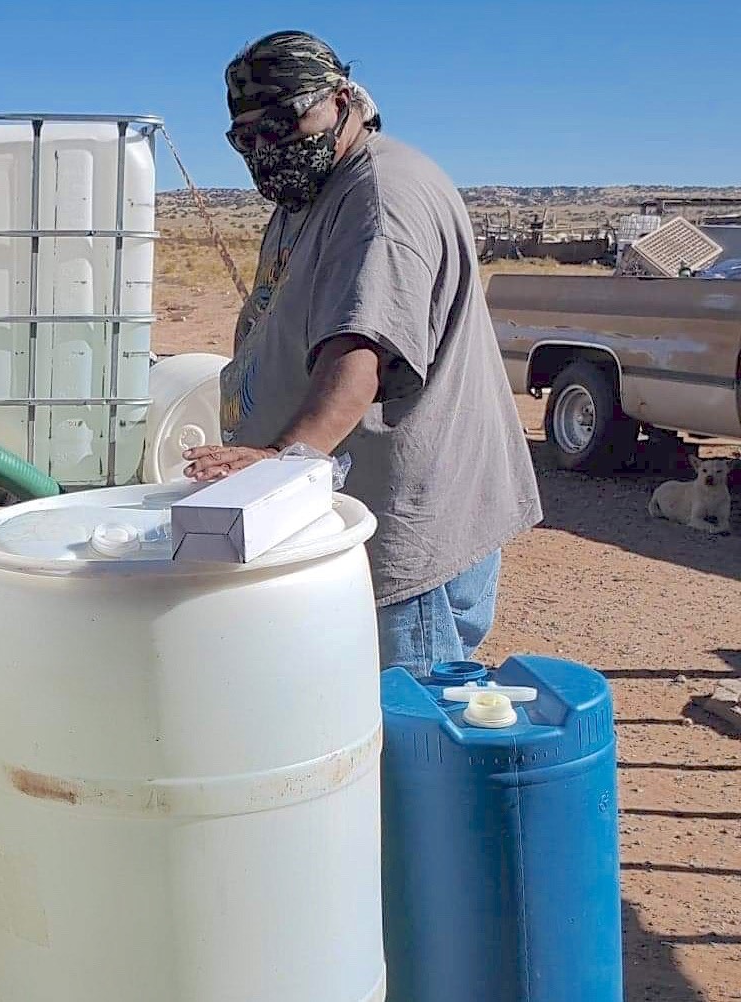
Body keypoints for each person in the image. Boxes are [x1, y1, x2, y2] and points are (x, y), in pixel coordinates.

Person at [183, 30, 542, 677]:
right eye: (247, 139)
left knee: (408, 732)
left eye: (284, 124)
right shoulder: (316, 190)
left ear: (343, 99)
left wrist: (278, 459)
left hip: (406, 535)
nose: (267, 151)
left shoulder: (379, 197)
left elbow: (360, 355)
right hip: (354, 510)